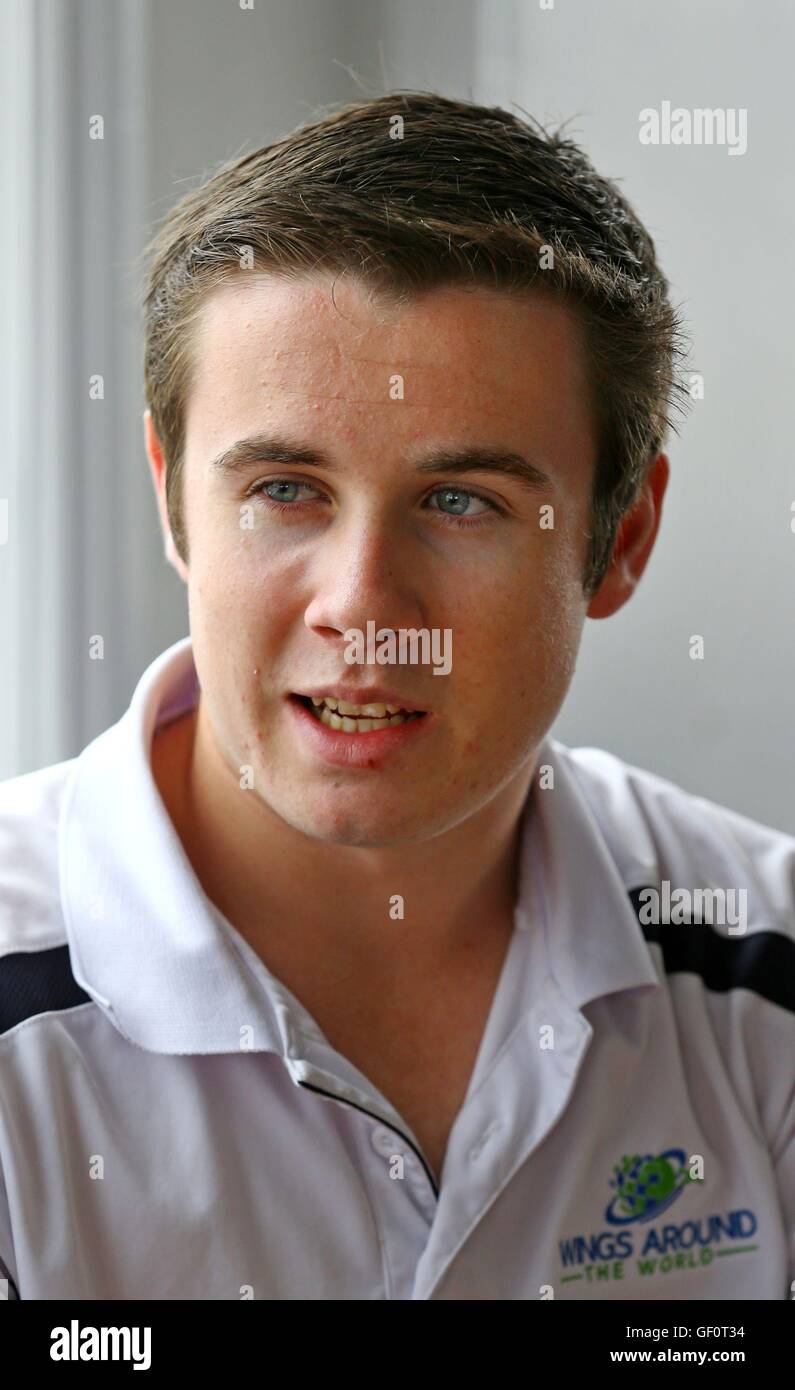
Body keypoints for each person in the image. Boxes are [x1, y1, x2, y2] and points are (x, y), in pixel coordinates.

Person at [1, 91, 792, 1302]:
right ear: (173, 501)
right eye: (284, 489)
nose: (363, 607)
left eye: (462, 502)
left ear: (620, 538)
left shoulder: (767, 967)